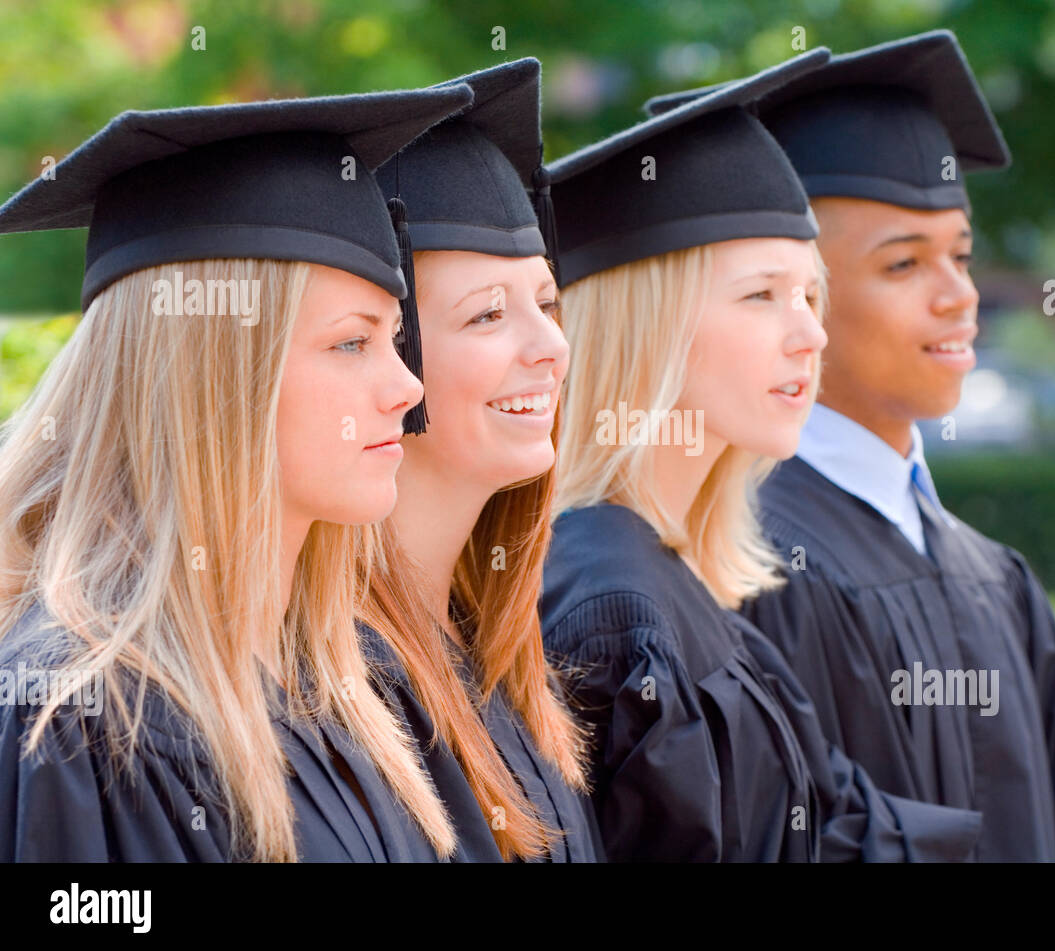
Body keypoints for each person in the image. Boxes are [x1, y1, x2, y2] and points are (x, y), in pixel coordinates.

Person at [647, 31, 1055, 861]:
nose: (959, 296)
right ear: (802, 294)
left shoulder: (995, 576)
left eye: (961, 256)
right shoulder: (744, 567)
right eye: (904, 265)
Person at [0, 86, 484, 861]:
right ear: (215, 377)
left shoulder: (353, 682)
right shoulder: (86, 721)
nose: (407, 385)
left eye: (394, 339)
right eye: (351, 344)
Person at [541, 49, 984, 862]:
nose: (811, 333)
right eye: (761, 295)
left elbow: (841, 827)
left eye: (809, 296)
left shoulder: (676, 577)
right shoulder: (612, 605)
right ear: (651, 330)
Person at [361, 58, 602, 862]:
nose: (550, 347)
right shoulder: (334, 686)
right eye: (489, 314)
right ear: (386, 357)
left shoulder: (496, 652)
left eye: (547, 302)